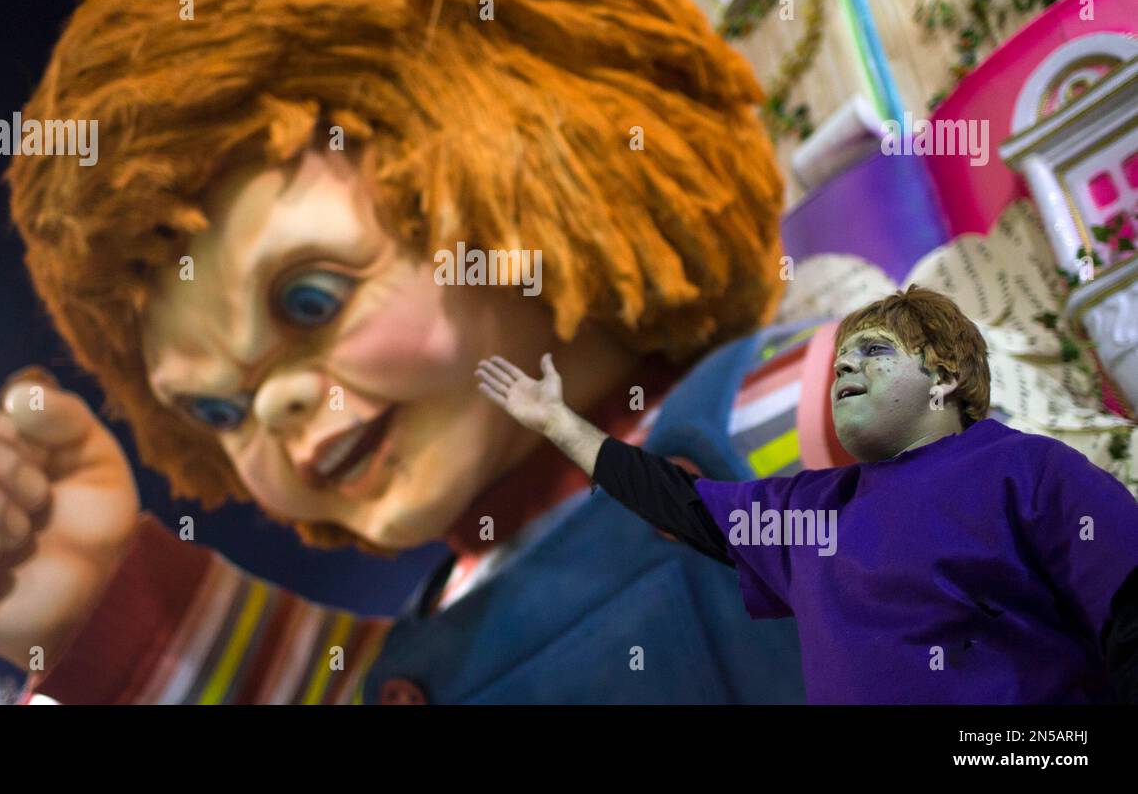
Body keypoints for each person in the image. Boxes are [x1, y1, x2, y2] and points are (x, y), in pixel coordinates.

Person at [0, 0, 806, 704]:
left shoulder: (782, 428)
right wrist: (103, 589)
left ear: (508, 139)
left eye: (312, 298)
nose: (274, 413)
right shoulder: (433, 634)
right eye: (217, 412)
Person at [477, 286, 1138, 703]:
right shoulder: (810, 510)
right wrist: (560, 424)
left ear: (942, 378)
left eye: (872, 351)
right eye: (842, 358)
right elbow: (680, 503)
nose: (844, 366)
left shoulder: (1027, 470)